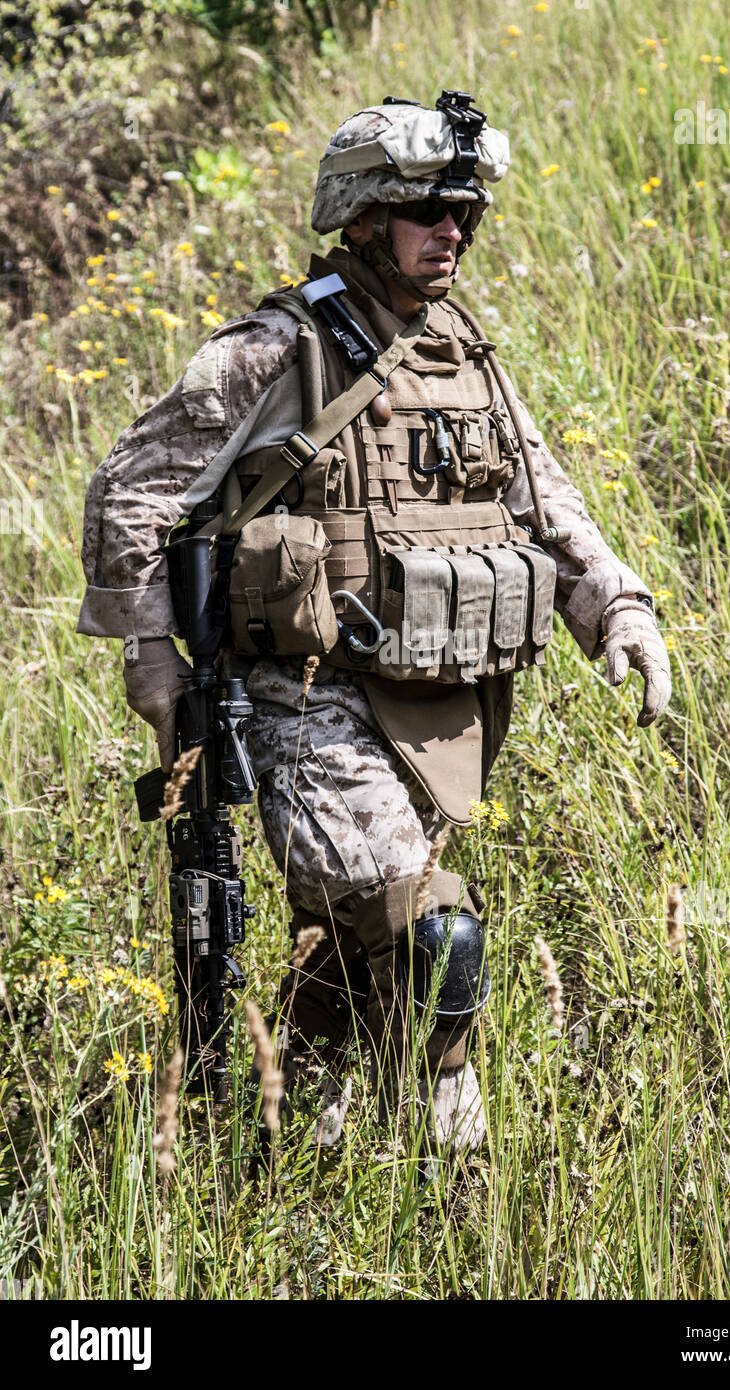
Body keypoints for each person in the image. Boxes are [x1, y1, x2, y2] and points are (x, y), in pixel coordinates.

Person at [76, 91, 671, 1154]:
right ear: (360, 217)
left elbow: (544, 496)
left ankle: (287, 1145)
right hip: (302, 704)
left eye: (466, 214)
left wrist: (614, 606)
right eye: (427, 210)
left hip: (437, 709)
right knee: (426, 927)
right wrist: (148, 652)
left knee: (347, 952)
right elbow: (130, 486)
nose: (453, 232)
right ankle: (457, 1174)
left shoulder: (464, 351)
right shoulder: (275, 351)